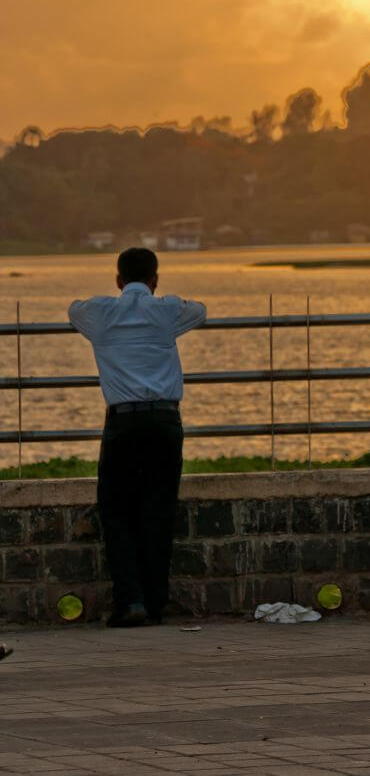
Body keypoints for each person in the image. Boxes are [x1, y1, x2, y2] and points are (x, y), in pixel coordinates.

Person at [68, 248, 207, 627]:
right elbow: (199, 310)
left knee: (116, 511)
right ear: (155, 280)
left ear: (118, 280)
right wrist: (165, 303)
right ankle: (156, 602)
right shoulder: (167, 311)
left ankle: (130, 602)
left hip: (123, 422)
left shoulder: (100, 313)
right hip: (164, 419)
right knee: (159, 509)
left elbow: (74, 309)